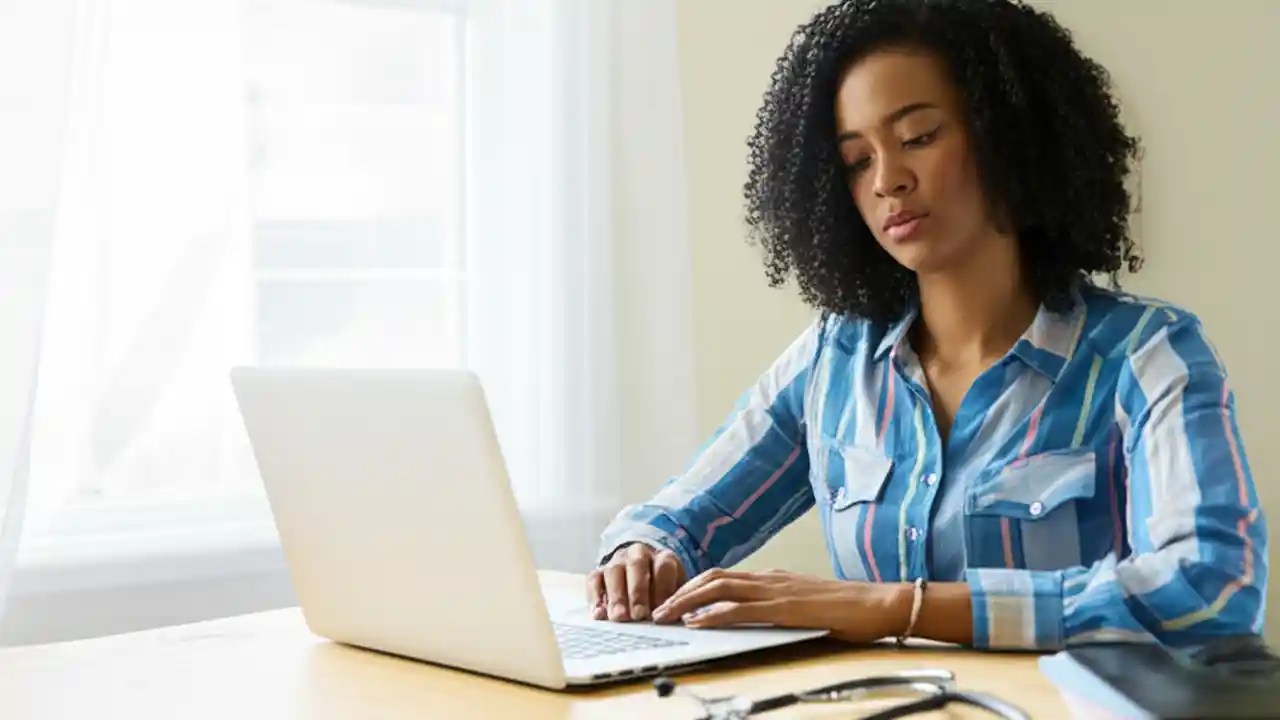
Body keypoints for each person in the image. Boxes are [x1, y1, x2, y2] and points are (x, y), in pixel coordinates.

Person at [587, 0, 1268, 651]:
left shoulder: (1147, 354)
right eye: (857, 160)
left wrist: (899, 608)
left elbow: (1213, 588)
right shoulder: (836, 359)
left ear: (1007, 134)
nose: (887, 180)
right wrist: (640, 554)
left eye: (918, 137)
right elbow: (675, 520)